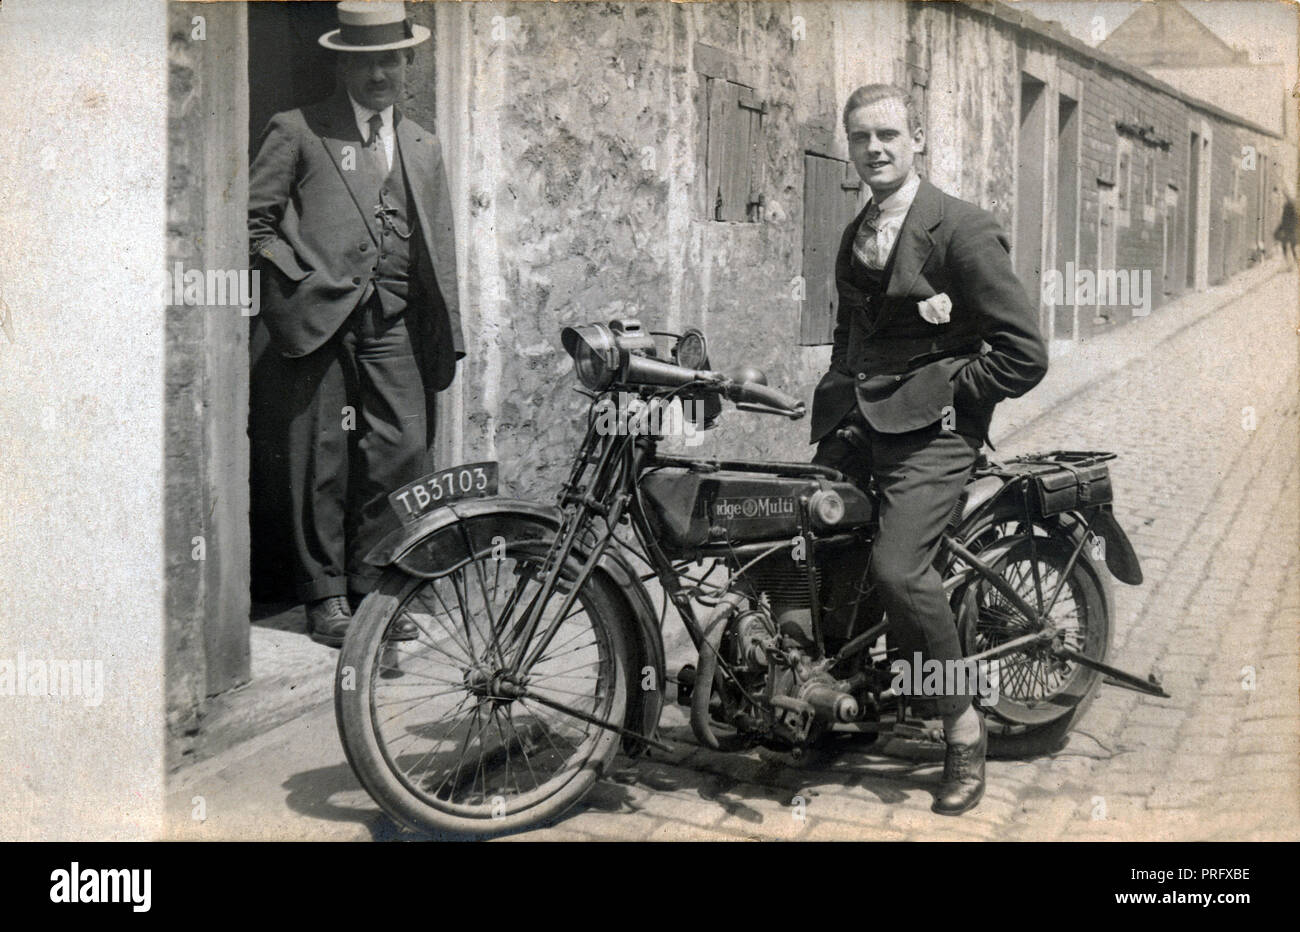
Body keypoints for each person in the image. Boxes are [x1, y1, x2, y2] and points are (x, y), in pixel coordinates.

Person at [809, 84, 1048, 815]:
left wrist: (949, 391)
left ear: (918, 140)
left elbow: (1024, 354)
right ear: (848, 149)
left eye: (887, 134)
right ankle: (846, 696)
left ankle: (961, 728)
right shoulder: (858, 235)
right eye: (860, 138)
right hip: (863, 422)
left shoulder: (963, 229)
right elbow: (850, 344)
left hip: (937, 437)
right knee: (809, 534)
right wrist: (833, 418)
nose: (874, 149)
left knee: (899, 570)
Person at [248, 1, 464, 647]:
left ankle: (375, 588)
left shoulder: (422, 145)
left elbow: (439, 244)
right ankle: (325, 599)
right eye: (365, 62)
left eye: (390, 60)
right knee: (320, 459)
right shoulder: (298, 129)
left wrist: (441, 319)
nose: (379, 74)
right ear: (344, 64)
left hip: (391, 322)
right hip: (318, 322)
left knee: (401, 451)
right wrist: (297, 280)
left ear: (407, 62)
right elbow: (252, 222)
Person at [1274, 193, 1297, 265]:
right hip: (1289, 229)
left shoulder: (1289, 206)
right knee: (1290, 246)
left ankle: (1291, 261)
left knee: (1289, 246)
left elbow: (1285, 219)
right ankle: (1291, 261)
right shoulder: (1290, 206)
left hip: (1289, 229)